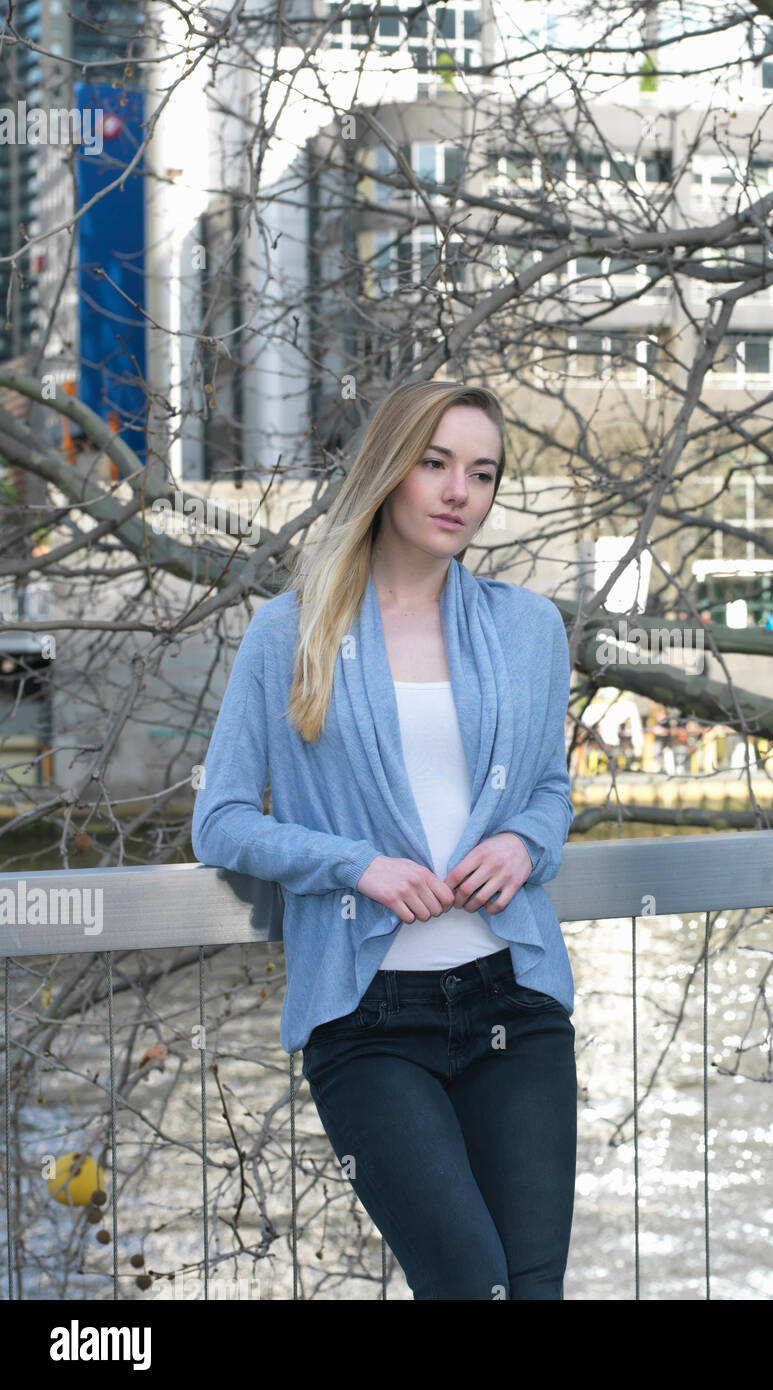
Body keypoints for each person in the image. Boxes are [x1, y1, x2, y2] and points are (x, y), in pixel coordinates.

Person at [191, 381, 577, 1300]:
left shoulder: (528, 628)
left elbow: (553, 790)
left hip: (513, 1002)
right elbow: (222, 818)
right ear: (387, 470)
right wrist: (353, 865)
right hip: (368, 1021)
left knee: (531, 1290)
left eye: (481, 474)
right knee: (466, 1282)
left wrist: (526, 842)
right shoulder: (293, 631)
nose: (459, 493)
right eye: (435, 464)